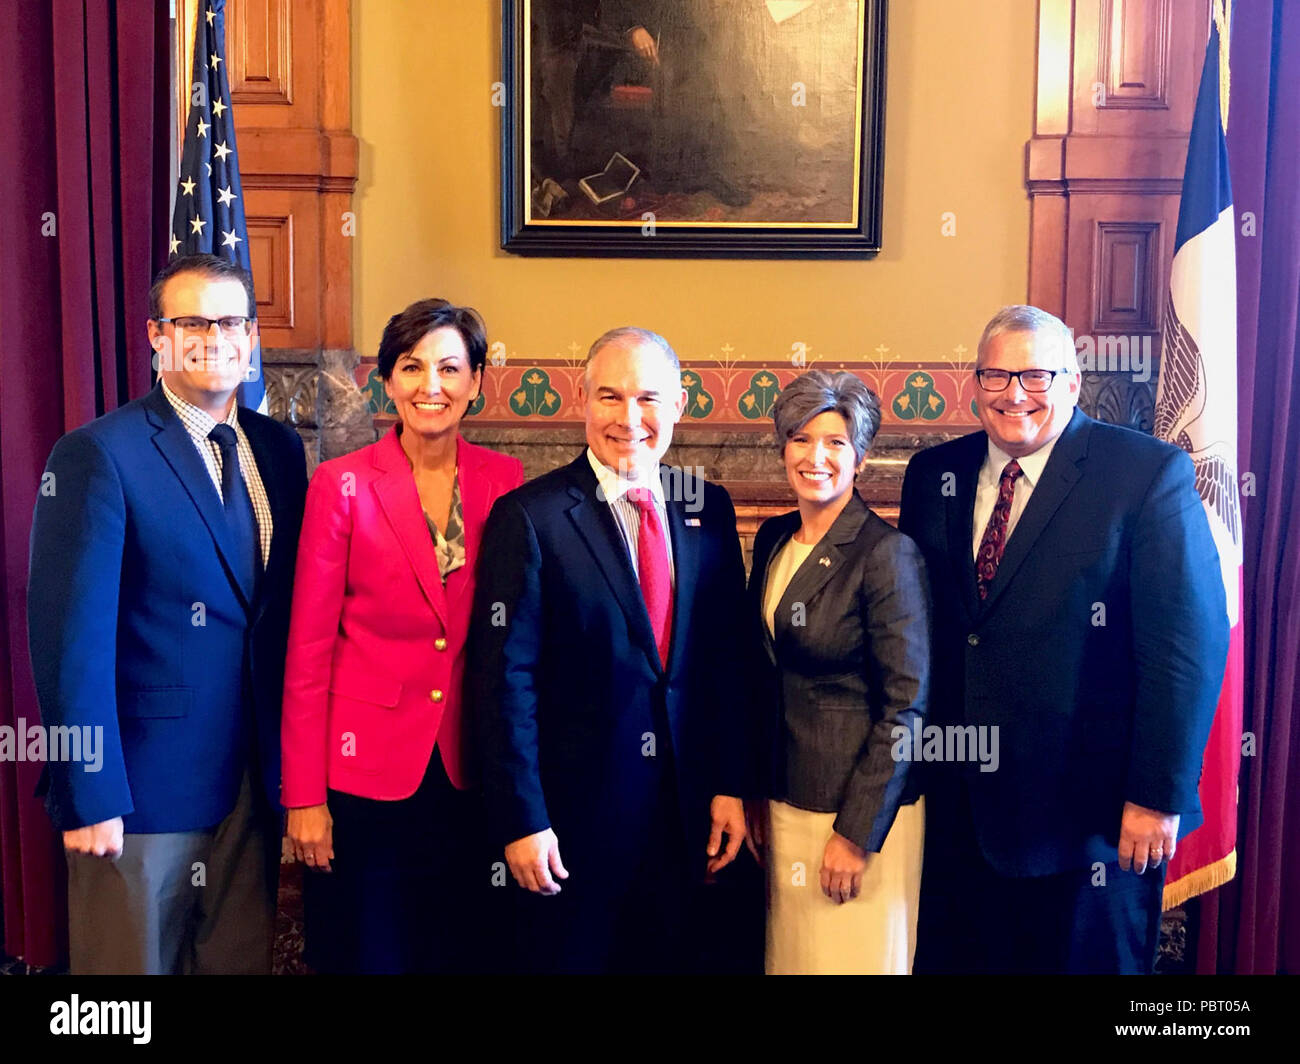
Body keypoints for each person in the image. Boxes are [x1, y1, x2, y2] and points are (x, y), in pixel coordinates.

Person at [898, 304, 1230, 974]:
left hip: (1091, 821)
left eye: (1035, 375)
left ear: (1073, 382)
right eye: (996, 375)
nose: (1013, 394)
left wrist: (1157, 794)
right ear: (975, 383)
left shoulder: (1144, 474)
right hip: (962, 812)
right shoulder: (933, 475)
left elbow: (1186, 648)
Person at [27, 253, 308, 974]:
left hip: (251, 783)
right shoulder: (98, 454)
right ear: (156, 335)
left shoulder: (277, 451)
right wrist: (88, 791)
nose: (212, 338)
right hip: (138, 795)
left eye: (231, 322)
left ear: (251, 339)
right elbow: (70, 641)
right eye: (191, 322)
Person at [467, 326, 757, 974]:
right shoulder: (530, 517)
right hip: (570, 830)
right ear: (582, 401)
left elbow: (727, 665)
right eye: (610, 396)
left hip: (687, 823)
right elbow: (502, 681)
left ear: (679, 406)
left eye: (648, 398)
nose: (629, 418)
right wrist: (522, 819)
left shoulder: (706, 509)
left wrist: (731, 788)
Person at [280, 298, 523, 974]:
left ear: (476, 381)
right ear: (387, 380)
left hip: (468, 771)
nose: (431, 386)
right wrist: (303, 796)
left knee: (459, 951)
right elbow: (307, 650)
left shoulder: (505, 483)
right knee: (368, 954)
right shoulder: (342, 484)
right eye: (412, 368)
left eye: (450, 368)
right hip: (364, 778)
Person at [749, 370, 930, 975]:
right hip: (784, 806)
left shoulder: (887, 553)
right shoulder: (775, 538)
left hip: (856, 817)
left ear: (862, 456)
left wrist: (856, 834)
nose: (815, 457)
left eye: (834, 442)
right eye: (800, 439)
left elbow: (908, 707)